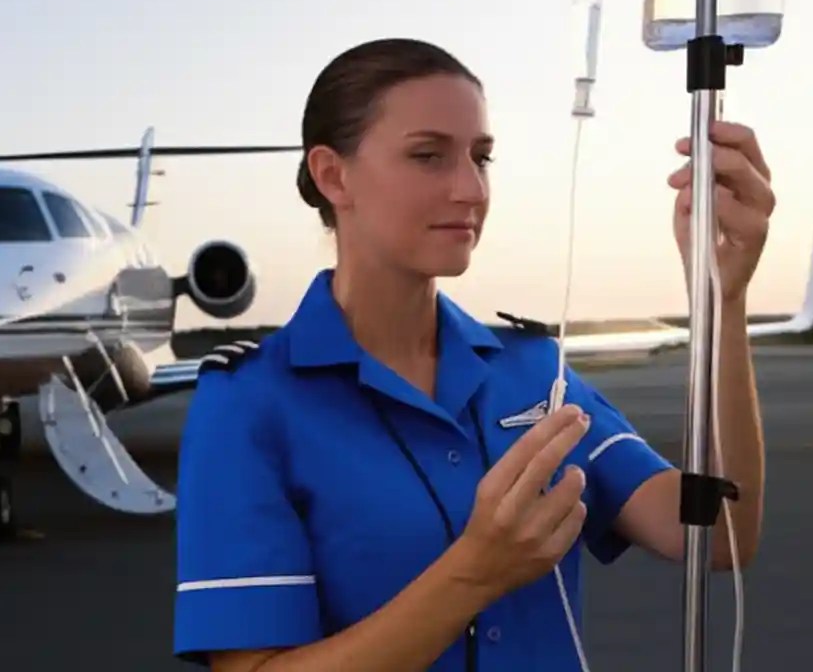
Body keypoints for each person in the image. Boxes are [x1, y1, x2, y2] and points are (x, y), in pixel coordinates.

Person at [172, 38, 771, 671]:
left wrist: (723, 301)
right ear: (332, 175)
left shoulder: (533, 370)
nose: (470, 189)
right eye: (428, 156)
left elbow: (717, 535)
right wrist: (473, 574)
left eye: (481, 158)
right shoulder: (247, 404)